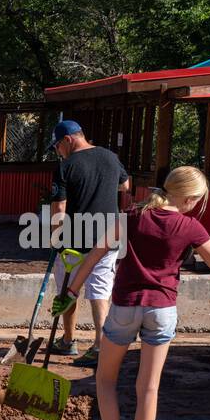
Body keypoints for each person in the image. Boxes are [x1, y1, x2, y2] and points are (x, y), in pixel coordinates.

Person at [53, 166, 210, 420]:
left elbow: (94, 255)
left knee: (106, 380)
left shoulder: (131, 217)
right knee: (148, 387)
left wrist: (70, 292)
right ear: (189, 199)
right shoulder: (190, 226)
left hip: (124, 306)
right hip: (162, 310)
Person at [46, 118, 131, 367]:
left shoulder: (66, 166)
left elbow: (59, 207)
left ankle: (69, 340)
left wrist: (54, 236)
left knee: (68, 290)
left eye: (56, 147)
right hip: (108, 236)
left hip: (74, 240)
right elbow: (125, 185)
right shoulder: (110, 157)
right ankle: (100, 346)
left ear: (67, 140)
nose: (57, 152)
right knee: (100, 291)